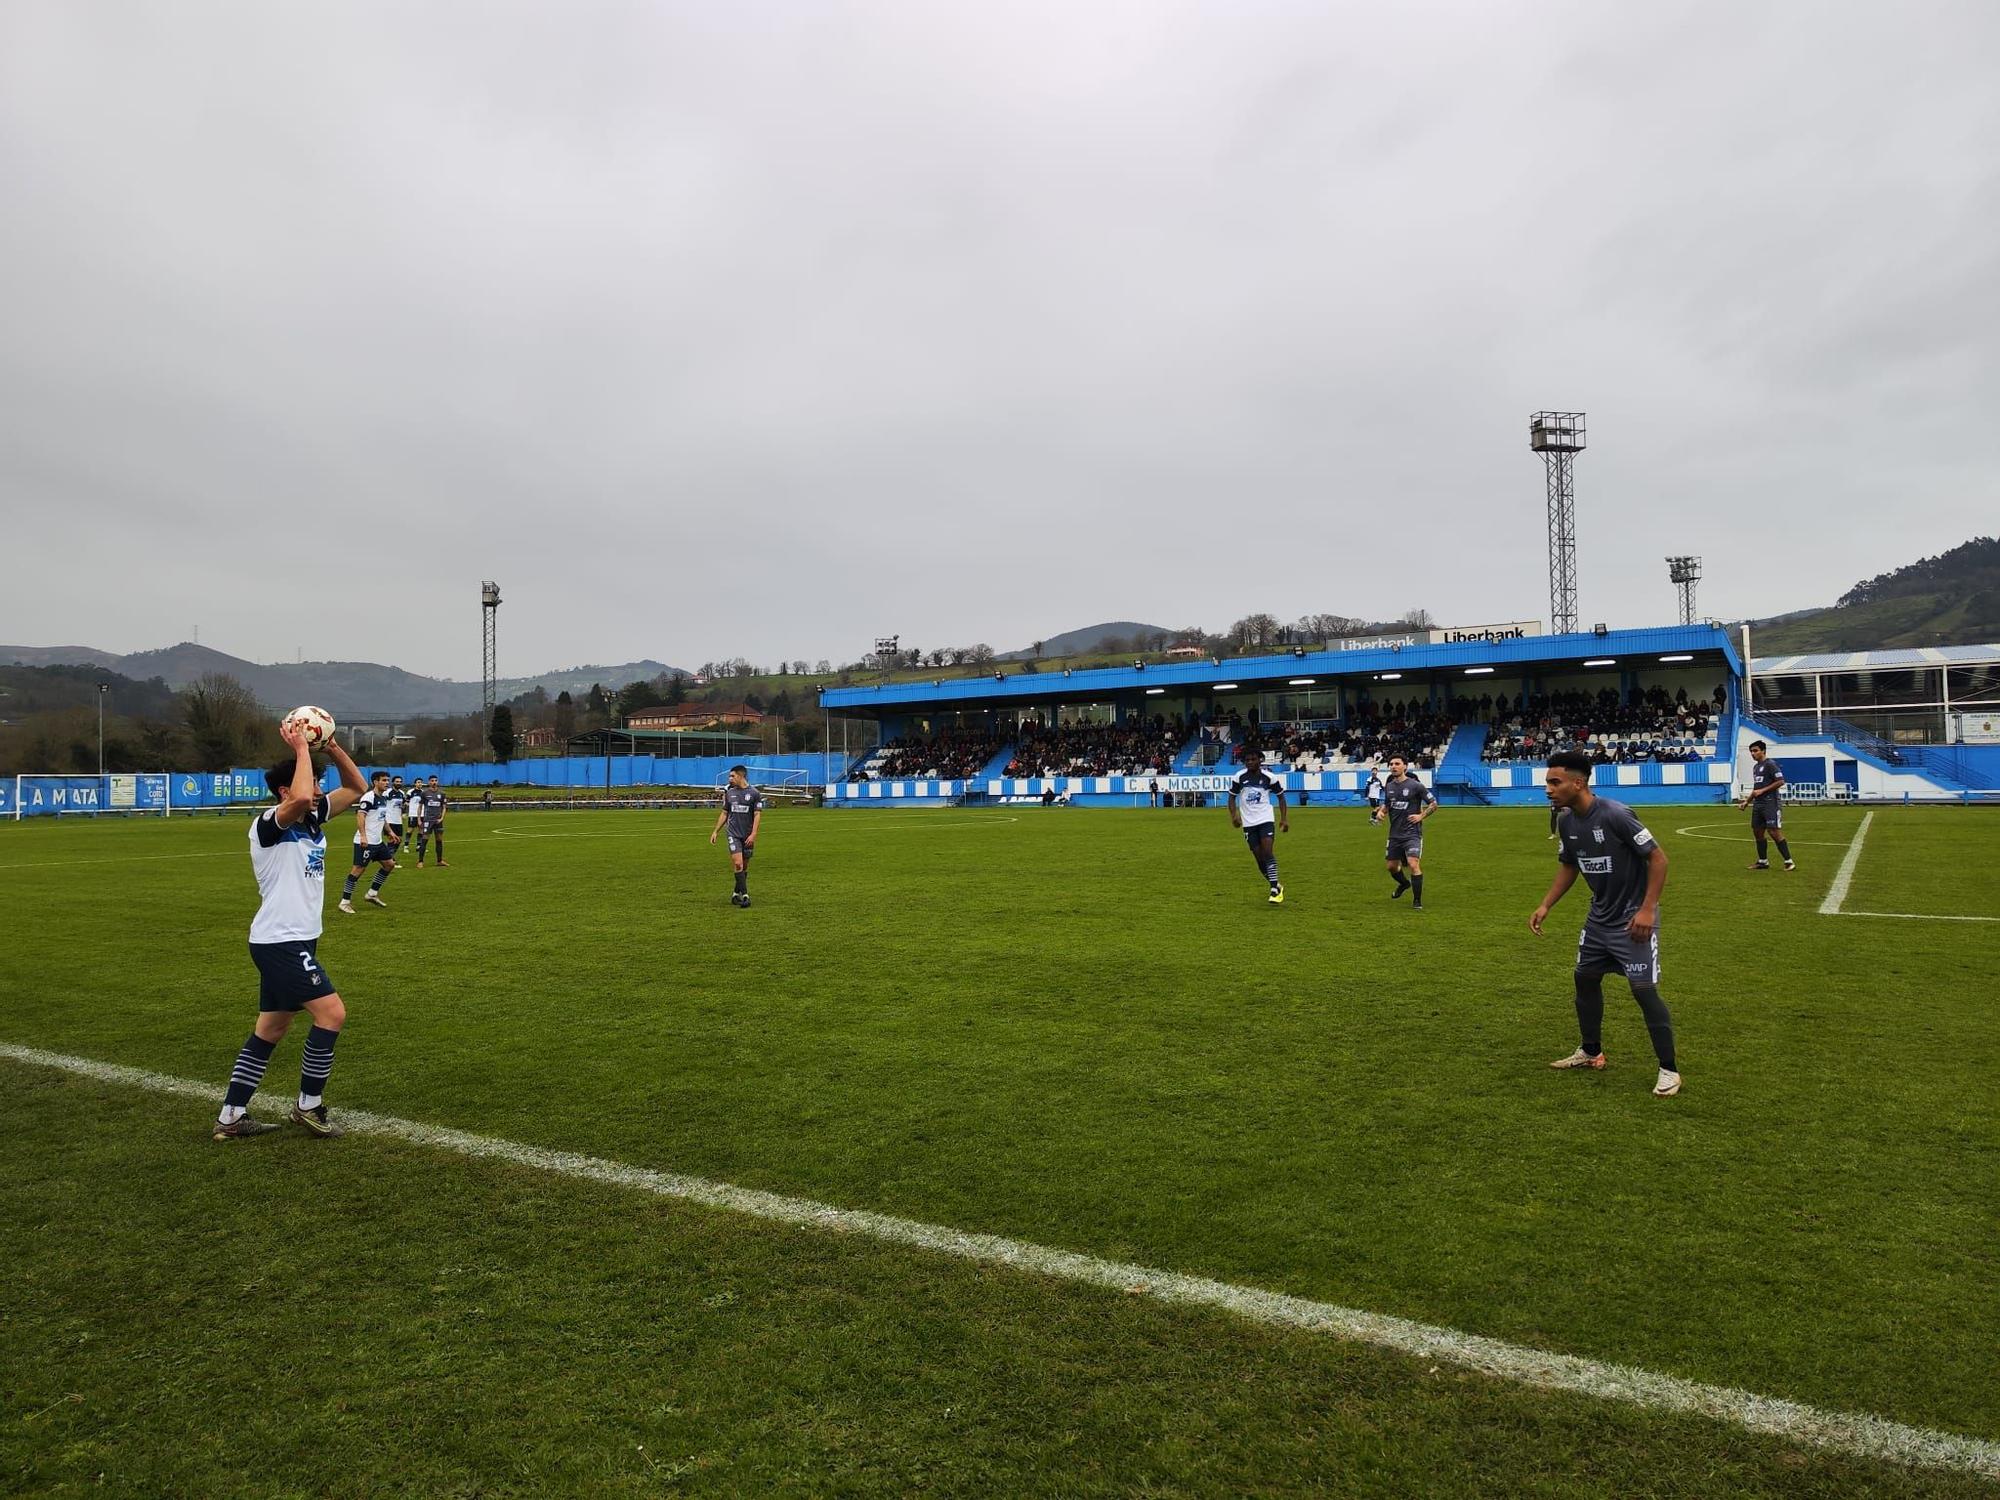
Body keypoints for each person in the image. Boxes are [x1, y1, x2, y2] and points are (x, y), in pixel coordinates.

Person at [212, 720, 368, 1139]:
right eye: (314, 782)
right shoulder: (269, 824)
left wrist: (331, 746)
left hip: (296, 939)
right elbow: (301, 794)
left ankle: (231, 1117)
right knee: (333, 1013)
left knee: (271, 1029)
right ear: (284, 792)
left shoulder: (312, 819)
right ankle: (309, 1106)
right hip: (279, 941)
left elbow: (356, 788)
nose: (317, 790)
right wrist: (302, 748)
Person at [1532, 748, 1681, 1098]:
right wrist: (1546, 904)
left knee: (1643, 991)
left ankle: (1669, 1070)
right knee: (1584, 979)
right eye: (1547, 782)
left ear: (1578, 783)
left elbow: (1658, 859)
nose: (1548, 789)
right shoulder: (1567, 820)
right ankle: (1590, 1050)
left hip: (1633, 920)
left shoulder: (1616, 814)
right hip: (1599, 919)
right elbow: (1570, 865)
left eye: (1555, 782)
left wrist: (1647, 910)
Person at [1372, 754, 1436, 910]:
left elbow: (1433, 804)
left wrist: (1421, 815)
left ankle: (1417, 901)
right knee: (1391, 867)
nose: (1393, 766)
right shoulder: (1389, 787)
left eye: (1397, 763)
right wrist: (1381, 812)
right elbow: (1387, 805)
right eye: (1391, 764)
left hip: (1412, 834)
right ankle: (1404, 884)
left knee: (1413, 864)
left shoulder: (1416, 786)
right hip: (1394, 835)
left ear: (1405, 766)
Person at [1227, 747, 1287, 904]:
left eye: (1253, 759)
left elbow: (1281, 797)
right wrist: (1234, 816)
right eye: (1247, 760)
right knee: (1260, 860)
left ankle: (1274, 889)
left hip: (1266, 820)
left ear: (1260, 760)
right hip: (1248, 824)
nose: (1250, 762)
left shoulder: (1269, 777)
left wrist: (1283, 819)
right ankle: (1276, 885)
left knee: (1268, 852)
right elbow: (1231, 798)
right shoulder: (1239, 777)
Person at [338, 771, 399, 913]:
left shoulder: (383, 798)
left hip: (377, 842)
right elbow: (360, 816)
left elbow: (382, 818)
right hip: (365, 841)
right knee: (358, 870)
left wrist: (390, 832)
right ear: (375, 782)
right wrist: (363, 836)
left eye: (387, 780)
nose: (387, 782)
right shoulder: (368, 797)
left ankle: (372, 893)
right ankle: (344, 902)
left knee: (389, 864)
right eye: (383, 780)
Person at [710, 764, 764, 907]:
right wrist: (716, 831)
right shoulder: (729, 793)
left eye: (732, 776)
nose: (730, 778)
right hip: (733, 834)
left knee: (744, 866)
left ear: (741, 776)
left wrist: (753, 834)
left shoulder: (754, 794)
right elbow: (725, 813)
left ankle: (735, 894)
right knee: (738, 863)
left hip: (747, 835)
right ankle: (745, 896)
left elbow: (757, 815)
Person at [1741, 740, 1794, 871]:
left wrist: (1763, 791)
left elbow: (1780, 781)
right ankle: (1763, 861)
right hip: (1758, 804)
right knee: (1757, 832)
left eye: (1755, 751)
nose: (1753, 754)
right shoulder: (1756, 767)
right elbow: (1756, 788)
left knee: (1773, 831)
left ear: (1763, 751)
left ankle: (1789, 861)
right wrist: (1747, 801)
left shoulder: (1770, 764)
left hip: (1771, 803)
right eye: (1751, 751)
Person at [413, 774, 450, 867]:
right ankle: (420, 861)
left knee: (439, 840)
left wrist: (441, 818)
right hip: (428, 820)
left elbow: (444, 807)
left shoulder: (442, 793)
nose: (434, 782)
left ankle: (439, 861)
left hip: (438, 821)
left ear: (437, 782)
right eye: (432, 781)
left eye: (435, 780)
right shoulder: (425, 793)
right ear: (429, 782)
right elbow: (420, 806)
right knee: (424, 840)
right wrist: (419, 819)